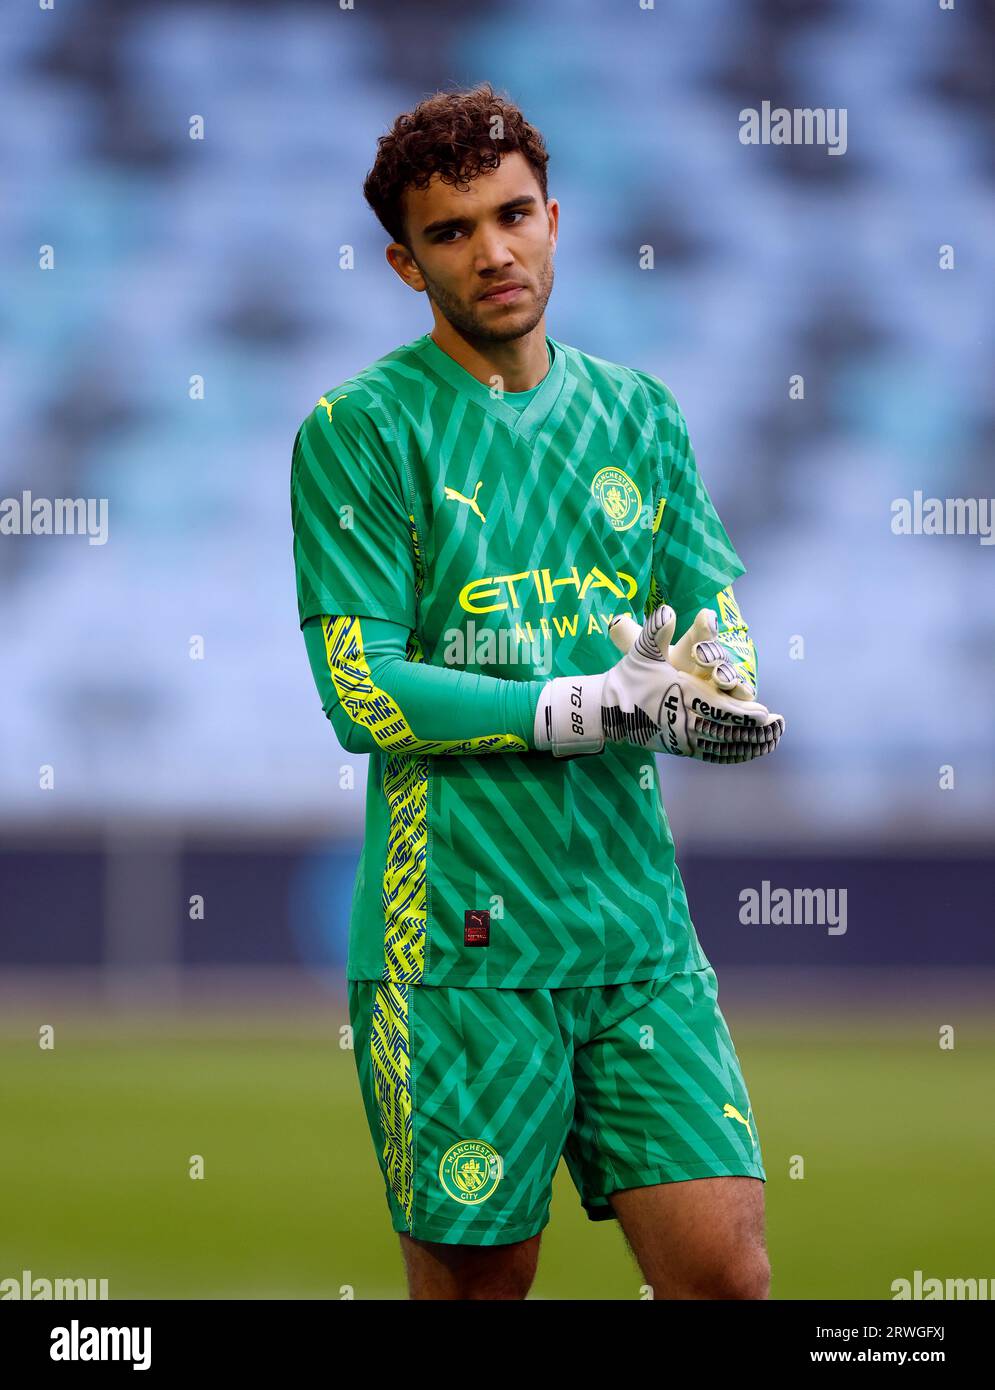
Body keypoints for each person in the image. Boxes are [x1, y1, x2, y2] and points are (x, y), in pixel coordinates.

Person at [290, 83, 784, 1300]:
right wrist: (578, 706)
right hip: (460, 948)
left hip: (637, 940)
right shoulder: (358, 429)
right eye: (451, 232)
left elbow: (714, 635)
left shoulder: (640, 414)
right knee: (478, 1292)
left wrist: (705, 697)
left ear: (554, 218)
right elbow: (362, 688)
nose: (492, 250)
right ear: (406, 265)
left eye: (511, 214)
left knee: (726, 1278)